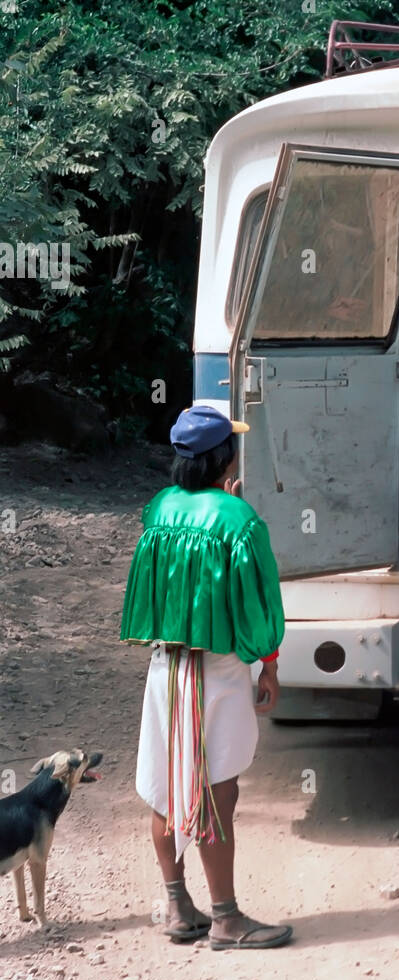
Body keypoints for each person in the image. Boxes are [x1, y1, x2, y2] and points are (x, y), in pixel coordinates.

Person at [121, 405, 293, 949]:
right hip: (217, 673)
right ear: (226, 458)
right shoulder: (238, 520)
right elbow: (259, 602)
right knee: (219, 791)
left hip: (164, 669)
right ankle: (226, 919)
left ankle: (177, 907)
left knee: (168, 789)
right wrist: (268, 663)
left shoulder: (158, 511)